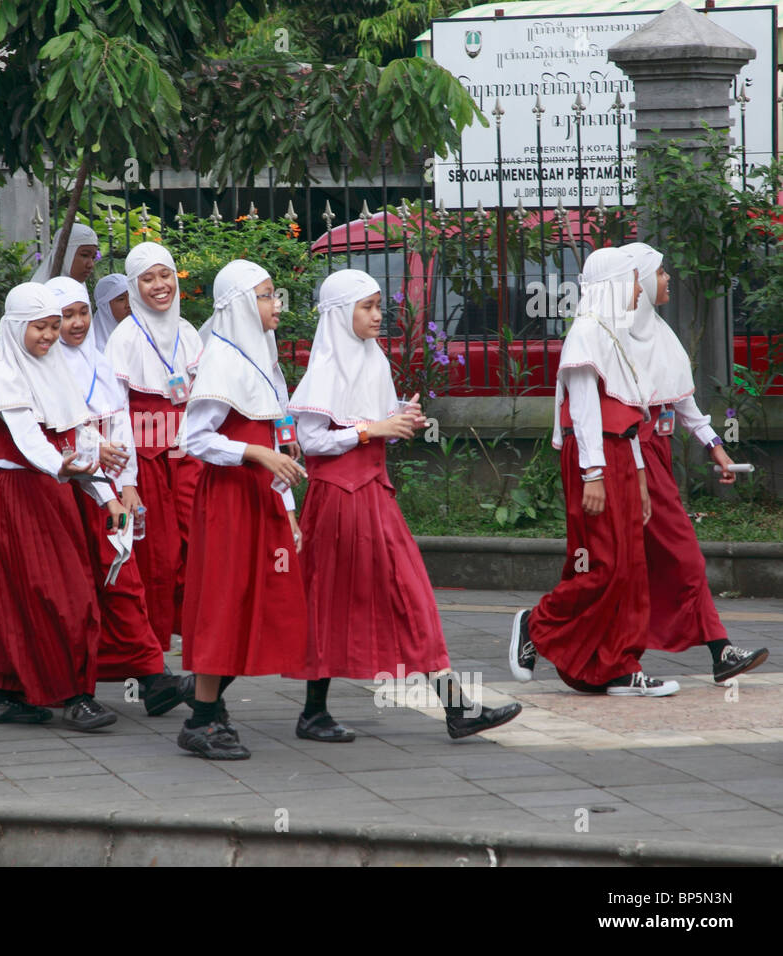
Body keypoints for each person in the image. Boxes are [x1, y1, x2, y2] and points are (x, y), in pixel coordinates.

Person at [286, 269, 522, 740]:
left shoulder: (368, 357)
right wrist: (375, 429)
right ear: (339, 314)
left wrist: (397, 415)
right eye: (367, 307)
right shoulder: (327, 367)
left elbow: (366, 418)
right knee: (341, 599)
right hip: (341, 499)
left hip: (372, 492)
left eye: (378, 306)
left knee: (403, 594)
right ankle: (317, 711)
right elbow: (312, 440)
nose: (378, 315)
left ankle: (452, 707)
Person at [509, 246, 679, 697]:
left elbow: (630, 415)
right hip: (594, 456)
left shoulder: (615, 335)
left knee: (630, 566)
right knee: (601, 563)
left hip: (620, 452)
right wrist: (593, 474)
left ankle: (618, 665)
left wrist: (640, 477)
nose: (641, 290)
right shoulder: (586, 332)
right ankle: (536, 623)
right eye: (634, 281)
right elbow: (583, 410)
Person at [0, 282, 129, 731]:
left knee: (40, 596)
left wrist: (107, 494)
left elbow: (78, 432)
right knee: (61, 597)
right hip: (23, 497)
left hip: (57, 494)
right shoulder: (5, 375)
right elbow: (31, 442)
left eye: (52, 326)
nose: (48, 335)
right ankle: (74, 696)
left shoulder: (55, 366)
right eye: (39, 327)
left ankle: (3, 693)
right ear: (16, 327)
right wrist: (66, 464)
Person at [176, 259, 308, 760]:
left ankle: (210, 701)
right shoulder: (223, 360)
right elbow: (196, 439)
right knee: (225, 602)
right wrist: (254, 454)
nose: (277, 304)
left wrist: (288, 508)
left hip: (262, 496)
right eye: (266, 295)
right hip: (231, 499)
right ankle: (202, 720)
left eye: (274, 294)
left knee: (263, 601)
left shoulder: (263, 357)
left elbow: (279, 440)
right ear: (238, 306)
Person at [47, 275, 192, 717]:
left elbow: (121, 424)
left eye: (81, 314)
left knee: (123, 580)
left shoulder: (98, 361)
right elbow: (45, 434)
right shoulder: (42, 367)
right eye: (64, 317)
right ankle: (68, 680)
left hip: (106, 491)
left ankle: (151, 675)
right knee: (72, 592)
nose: (75, 325)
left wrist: (127, 482)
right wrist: (90, 453)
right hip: (63, 494)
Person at [622, 241, 767, 681]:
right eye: (661, 273)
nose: (668, 279)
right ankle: (718, 650)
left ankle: (623, 657)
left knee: (636, 565)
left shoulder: (660, 335)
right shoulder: (615, 336)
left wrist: (716, 448)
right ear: (642, 282)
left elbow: (681, 402)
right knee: (676, 556)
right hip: (632, 458)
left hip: (657, 457)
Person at [103, 242, 205, 650]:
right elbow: (115, 412)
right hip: (144, 459)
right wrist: (125, 479)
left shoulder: (188, 332)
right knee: (157, 553)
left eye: (165, 275)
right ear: (133, 286)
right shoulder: (124, 338)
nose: (160, 286)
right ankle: (152, 643)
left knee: (194, 542)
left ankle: (196, 632)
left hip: (187, 454)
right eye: (148, 279)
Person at [31, 224, 100, 284]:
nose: (90, 265)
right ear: (65, 254)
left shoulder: (79, 290)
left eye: (93, 257)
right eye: (84, 255)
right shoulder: (39, 293)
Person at [91, 273, 131, 352]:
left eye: (131, 297)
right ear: (106, 307)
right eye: (121, 299)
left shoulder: (141, 336)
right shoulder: (95, 348)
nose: (129, 305)